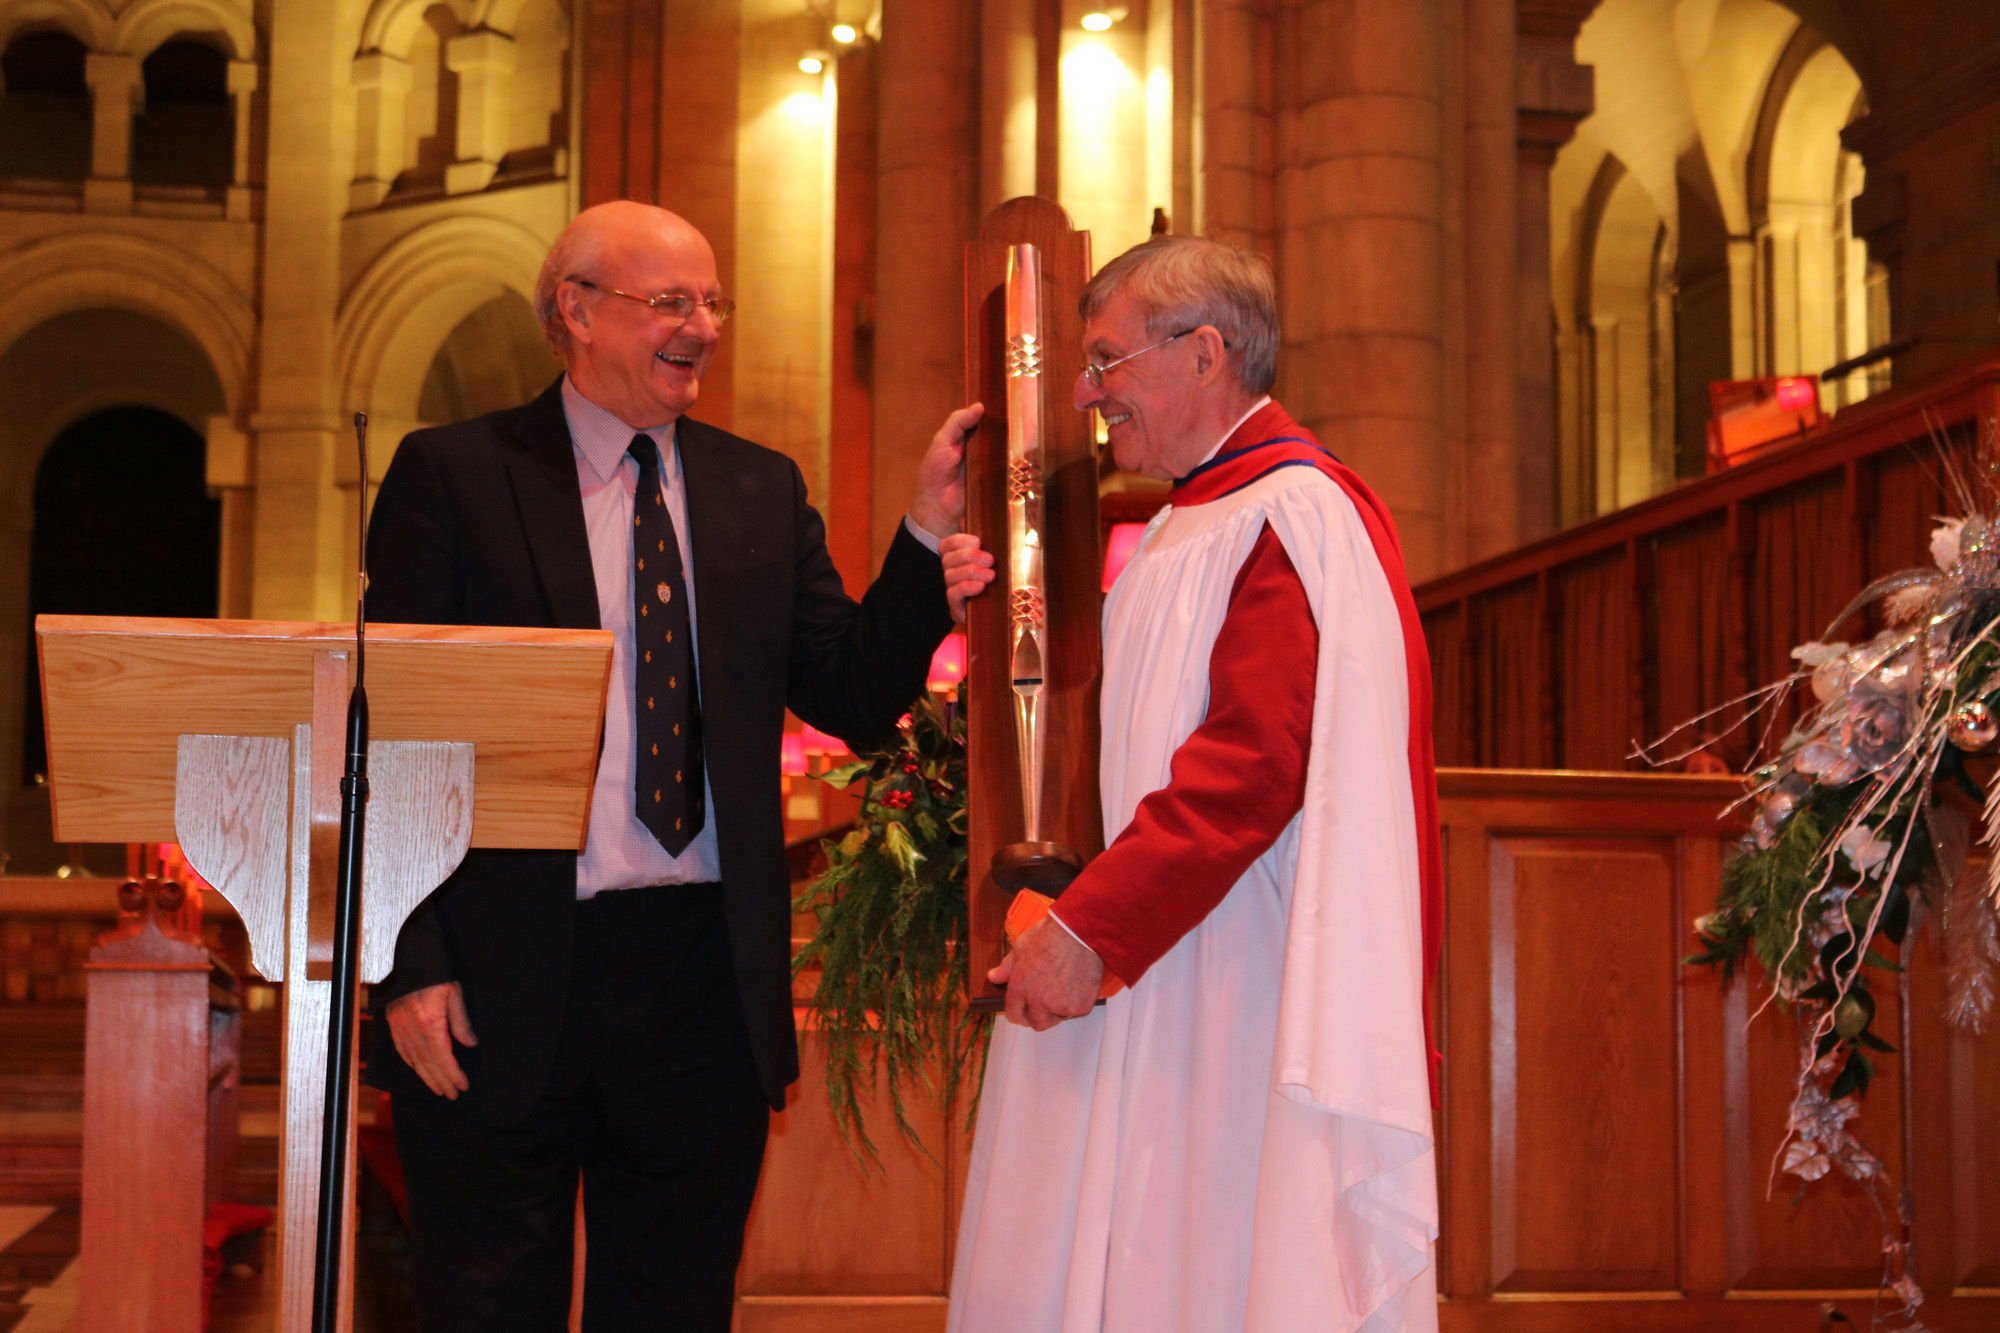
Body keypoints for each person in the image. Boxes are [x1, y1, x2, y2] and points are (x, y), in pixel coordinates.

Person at [362, 200, 996, 1332]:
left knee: (675, 1306)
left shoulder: (758, 487)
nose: (701, 326)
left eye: (712, 302)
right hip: (500, 972)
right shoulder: (453, 475)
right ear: (575, 311)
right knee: (485, 1303)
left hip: (700, 978)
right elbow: (392, 731)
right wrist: (409, 962)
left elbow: (849, 695)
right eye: (669, 302)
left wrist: (918, 534)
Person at [947, 234, 1443, 1333]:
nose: (1088, 393)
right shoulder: (1185, 520)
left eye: (1108, 361)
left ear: (1206, 352)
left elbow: (1250, 768)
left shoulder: (1292, 513)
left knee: (1209, 1260)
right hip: (1158, 952)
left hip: (1228, 972)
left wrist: (1090, 929)